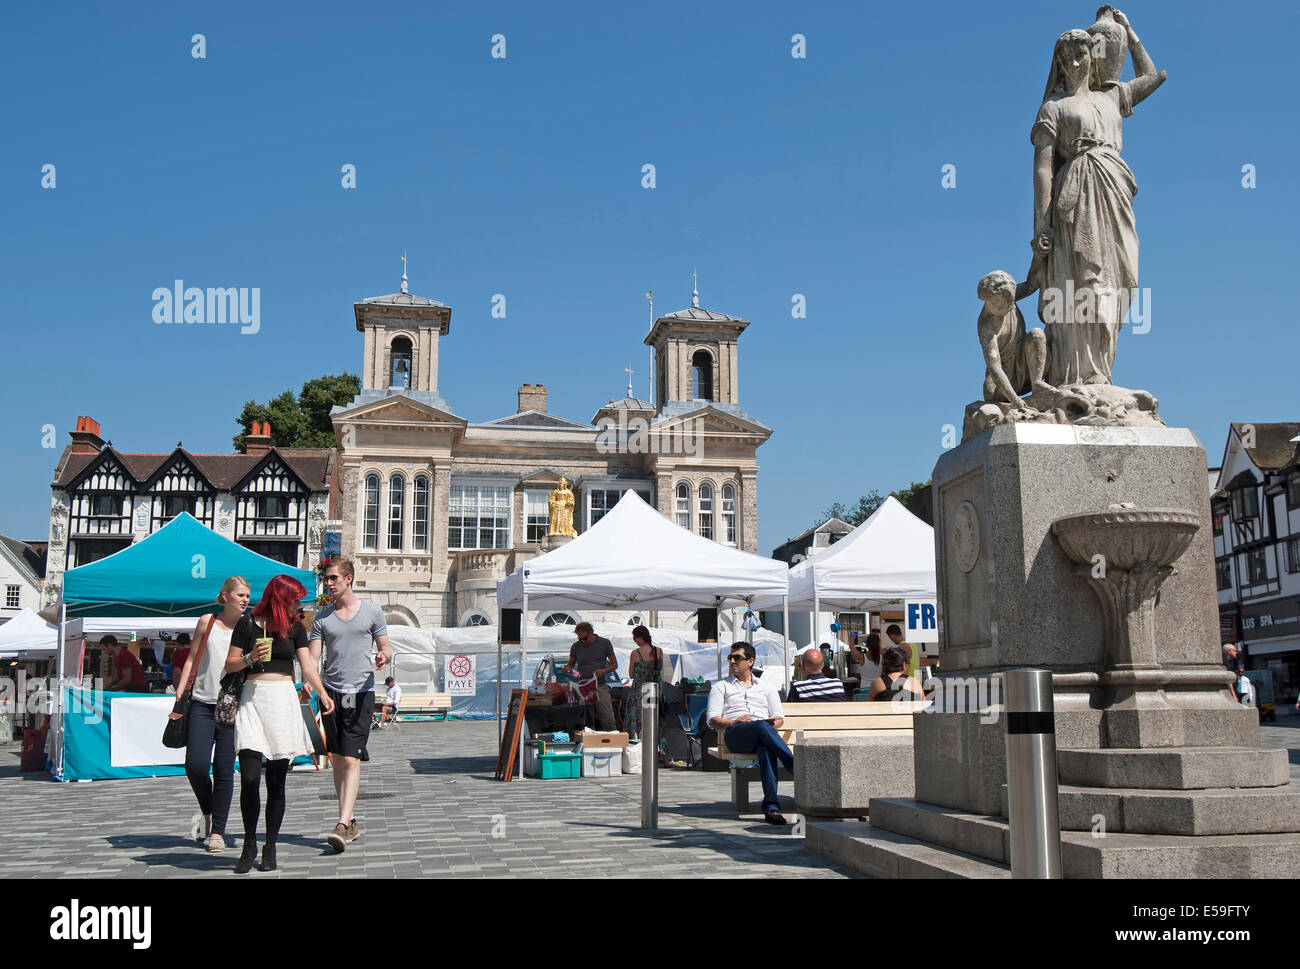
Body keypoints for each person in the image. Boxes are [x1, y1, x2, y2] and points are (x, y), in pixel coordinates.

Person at [1031, 14, 1165, 385]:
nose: (1076, 63)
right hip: (1075, 197)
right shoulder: (1053, 108)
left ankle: (1102, 373)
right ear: (1058, 62)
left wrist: (1132, 33)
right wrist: (1040, 223)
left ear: (1094, 55)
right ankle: (1077, 374)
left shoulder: (1112, 95)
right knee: (1080, 282)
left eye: (1082, 55)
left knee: (1120, 277)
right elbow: (1043, 168)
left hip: (1113, 191)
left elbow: (1154, 77)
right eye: (1068, 57)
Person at [228, 574, 332, 874]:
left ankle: (269, 846)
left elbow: (307, 665)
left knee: (276, 781)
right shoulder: (247, 624)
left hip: (282, 700)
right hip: (253, 698)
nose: (298, 604)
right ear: (279, 598)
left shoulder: (296, 628)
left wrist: (322, 693)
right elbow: (230, 663)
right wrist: (249, 658)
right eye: (294, 599)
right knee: (248, 776)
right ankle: (249, 842)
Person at [309, 556, 390, 855]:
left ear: (348, 578)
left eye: (333, 578)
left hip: (361, 692)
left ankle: (342, 823)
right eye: (327, 579)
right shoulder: (322, 617)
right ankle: (350, 820)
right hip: (331, 693)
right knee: (338, 758)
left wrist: (384, 656)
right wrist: (312, 683)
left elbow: (385, 646)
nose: (329, 584)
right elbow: (314, 657)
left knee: (352, 759)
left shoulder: (371, 612)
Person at [168, 577, 249, 853]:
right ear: (225, 596)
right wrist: (180, 694)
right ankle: (207, 812)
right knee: (196, 766)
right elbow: (192, 657)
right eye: (240, 595)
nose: (245, 600)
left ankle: (217, 832)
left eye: (248, 596)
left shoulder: (249, 628)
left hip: (231, 706)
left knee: (225, 770)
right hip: (202, 703)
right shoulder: (208, 621)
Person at [707, 642, 795, 825]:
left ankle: (772, 808)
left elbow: (779, 718)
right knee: (761, 727)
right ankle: (795, 765)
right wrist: (734, 721)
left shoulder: (766, 687)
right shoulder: (721, 687)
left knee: (767, 749)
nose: (732, 661)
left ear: (750, 661)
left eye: (737, 658)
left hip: (762, 733)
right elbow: (712, 720)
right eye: (730, 658)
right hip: (736, 734)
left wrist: (770, 725)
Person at [565, 621, 618, 731]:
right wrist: (567, 669)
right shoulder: (576, 647)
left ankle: (612, 740)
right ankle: (588, 741)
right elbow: (571, 665)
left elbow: (614, 664)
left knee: (607, 717)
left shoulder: (604, 643)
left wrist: (603, 671)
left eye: (585, 638)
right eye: (580, 639)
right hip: (583, 687)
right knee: (587, 720)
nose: (583, 641)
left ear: (591, 633)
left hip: (600, 685)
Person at [624, 625, 663, 740]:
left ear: (641, 637)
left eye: (635, 638)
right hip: (654, 690)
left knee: (639, 717)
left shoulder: (636, 653)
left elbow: (631, 675)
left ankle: (637, 741)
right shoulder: (659, 651)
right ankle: (655, 744)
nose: (634, 641)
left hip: (640, 691)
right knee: (652, 717)